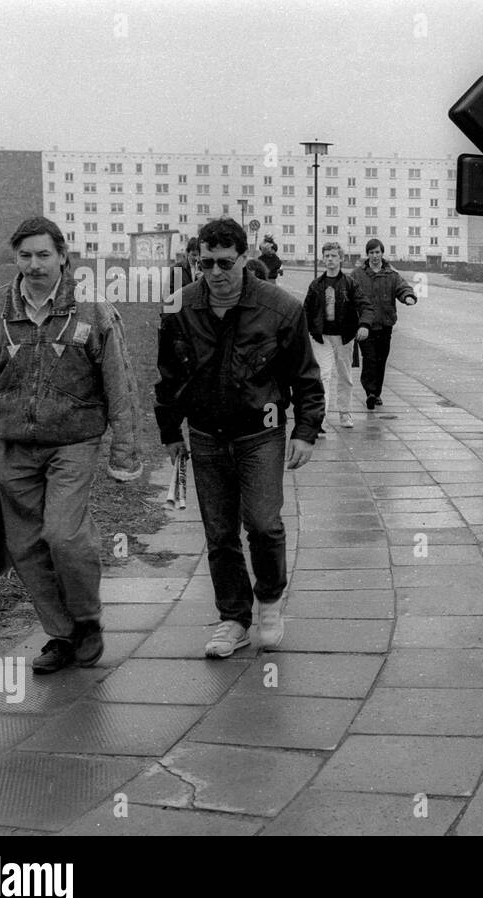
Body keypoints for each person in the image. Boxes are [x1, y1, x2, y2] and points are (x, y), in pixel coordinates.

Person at [0, 216, 142, 674]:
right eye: (26, 255)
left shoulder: (95, 311)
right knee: (25, 547)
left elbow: (120, 385)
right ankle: (60, 635)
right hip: (12, 448)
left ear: (64, 255)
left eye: (44, 254)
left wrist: (124, 452)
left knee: (64, 535)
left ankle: (87, 620)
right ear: (15, 258)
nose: (35, 264)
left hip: (73, 441)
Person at [154, 217, 324, 657]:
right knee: (219, 533)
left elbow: (305, 376)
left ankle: (268, 601)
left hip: (260, 433)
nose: (214, 273)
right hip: (207, 435)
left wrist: (305, 432)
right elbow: (169, 376)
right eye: (204, 262)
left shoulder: (281, 309)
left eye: (224, 263)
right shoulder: (177, 308)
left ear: (244, 259)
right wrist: (170, 430)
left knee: (264, 525)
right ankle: (233, 618)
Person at [304, 242, 372, 429]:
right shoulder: (316, 285)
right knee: (323, 376)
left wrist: (364, 324)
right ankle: (321, 418)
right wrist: (304, 331)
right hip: (321, 337)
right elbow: (306, 311)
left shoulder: (350, 284)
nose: (329, 259)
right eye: (326, 256)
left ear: (341, 258)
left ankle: (344, 413)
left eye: (333, 256)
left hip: (344, 337)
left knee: (344, 376)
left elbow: (365, 305)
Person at [351, 238, 417, 409]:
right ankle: (370, 393)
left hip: (385, 325)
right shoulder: (358, 274)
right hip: (365, 327)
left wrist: (408, 297)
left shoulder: (390, 274)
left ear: (382, 253)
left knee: (381, 360)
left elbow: (402, 287)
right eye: (371, 252)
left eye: (377, 252)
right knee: (370, 359)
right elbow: (348, 293)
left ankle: (376, 393)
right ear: (367, 254)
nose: (375, 256)